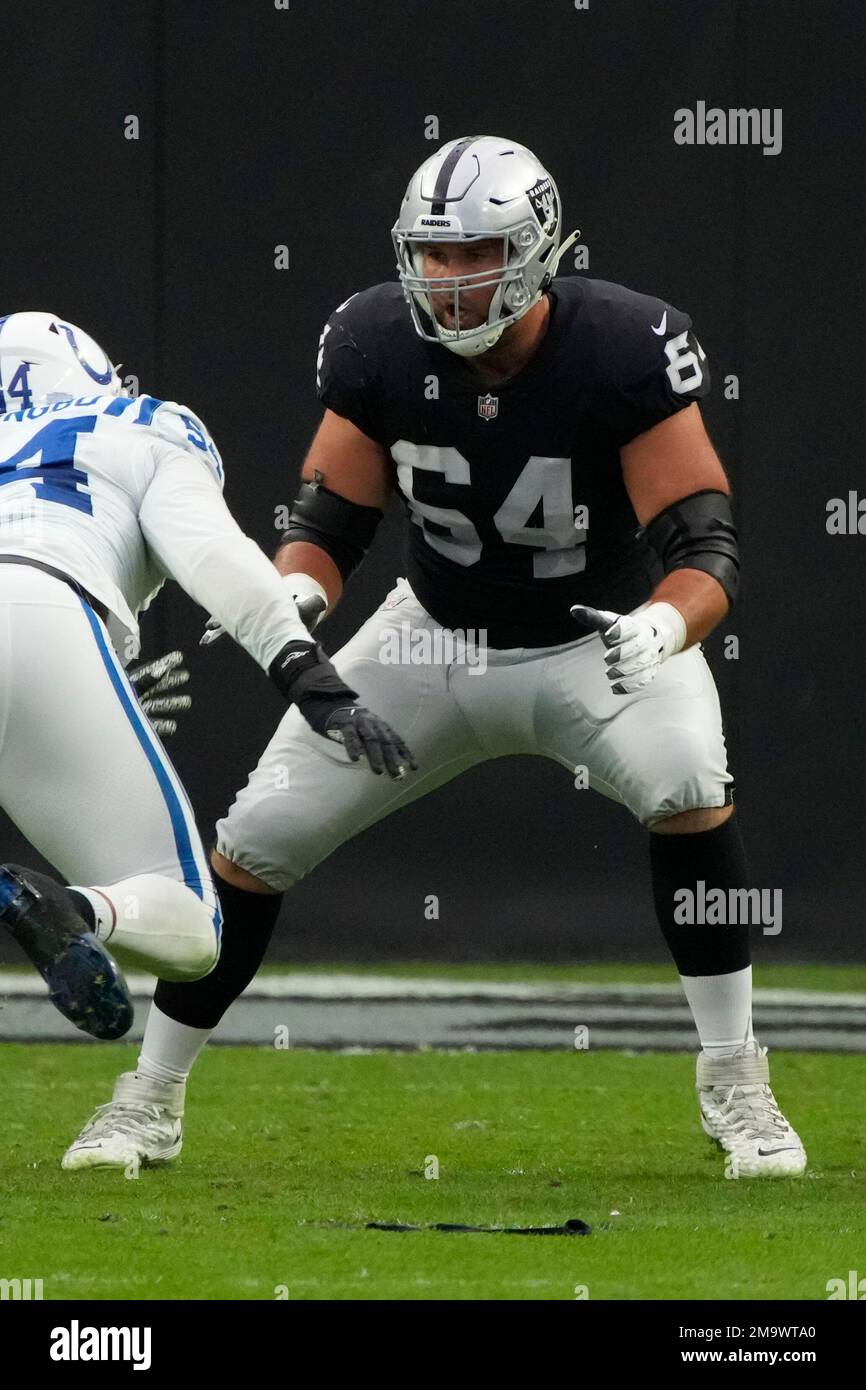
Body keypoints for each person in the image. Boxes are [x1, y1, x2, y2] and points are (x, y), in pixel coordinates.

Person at [63, 136, 805, 1179]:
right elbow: (331, 511)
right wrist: (299, 588)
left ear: (540, 248)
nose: (451, 281)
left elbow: (704, 543)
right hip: (429, 640)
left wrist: (662, 625)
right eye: (433, 253)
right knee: (255, 841)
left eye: (479, 253)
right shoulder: (372, 339)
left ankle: (733, 1074)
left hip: (594, 641)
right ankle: (149, 1095)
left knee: (687, 783)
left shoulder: (620, 345)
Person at [0, 312, 411, 1045]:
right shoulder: (138, 423)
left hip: (47, 618)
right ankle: (68, 909)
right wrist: (310, 679)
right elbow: (219, 559)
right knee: (189, 924)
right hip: (42, 609)